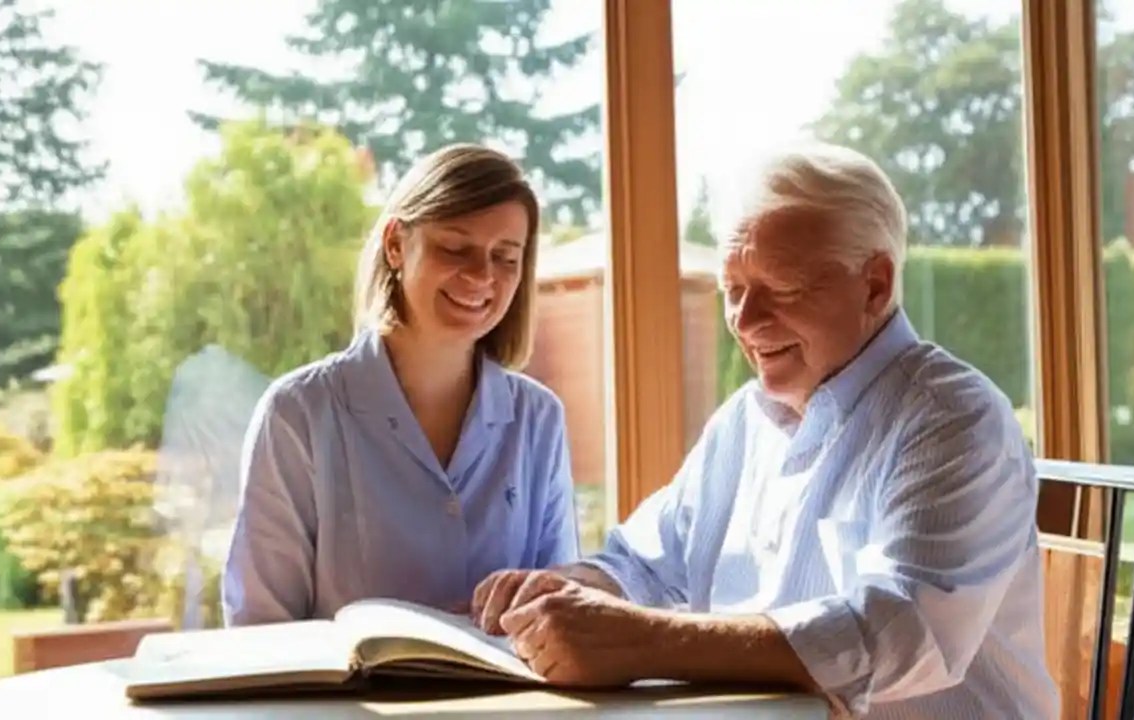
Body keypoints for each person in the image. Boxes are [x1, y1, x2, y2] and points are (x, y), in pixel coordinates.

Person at [469, 142, 1058, 719]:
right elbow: (648, 564)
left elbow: (905, 630)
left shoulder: (950, 417)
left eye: (782, 288)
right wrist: (566, 588)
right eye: (733, 290)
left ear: (875, 284)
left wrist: (638, 640)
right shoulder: (743, 422)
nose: (745, 322)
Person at [222, 143, 579, 624]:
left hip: (506, 701)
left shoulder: (538, 419)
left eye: (506, 257)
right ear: (395, 244)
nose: (481, 276)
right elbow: (260, 630)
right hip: (345, 702)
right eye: (456, 248)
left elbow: (559, 610)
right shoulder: (299, 413)